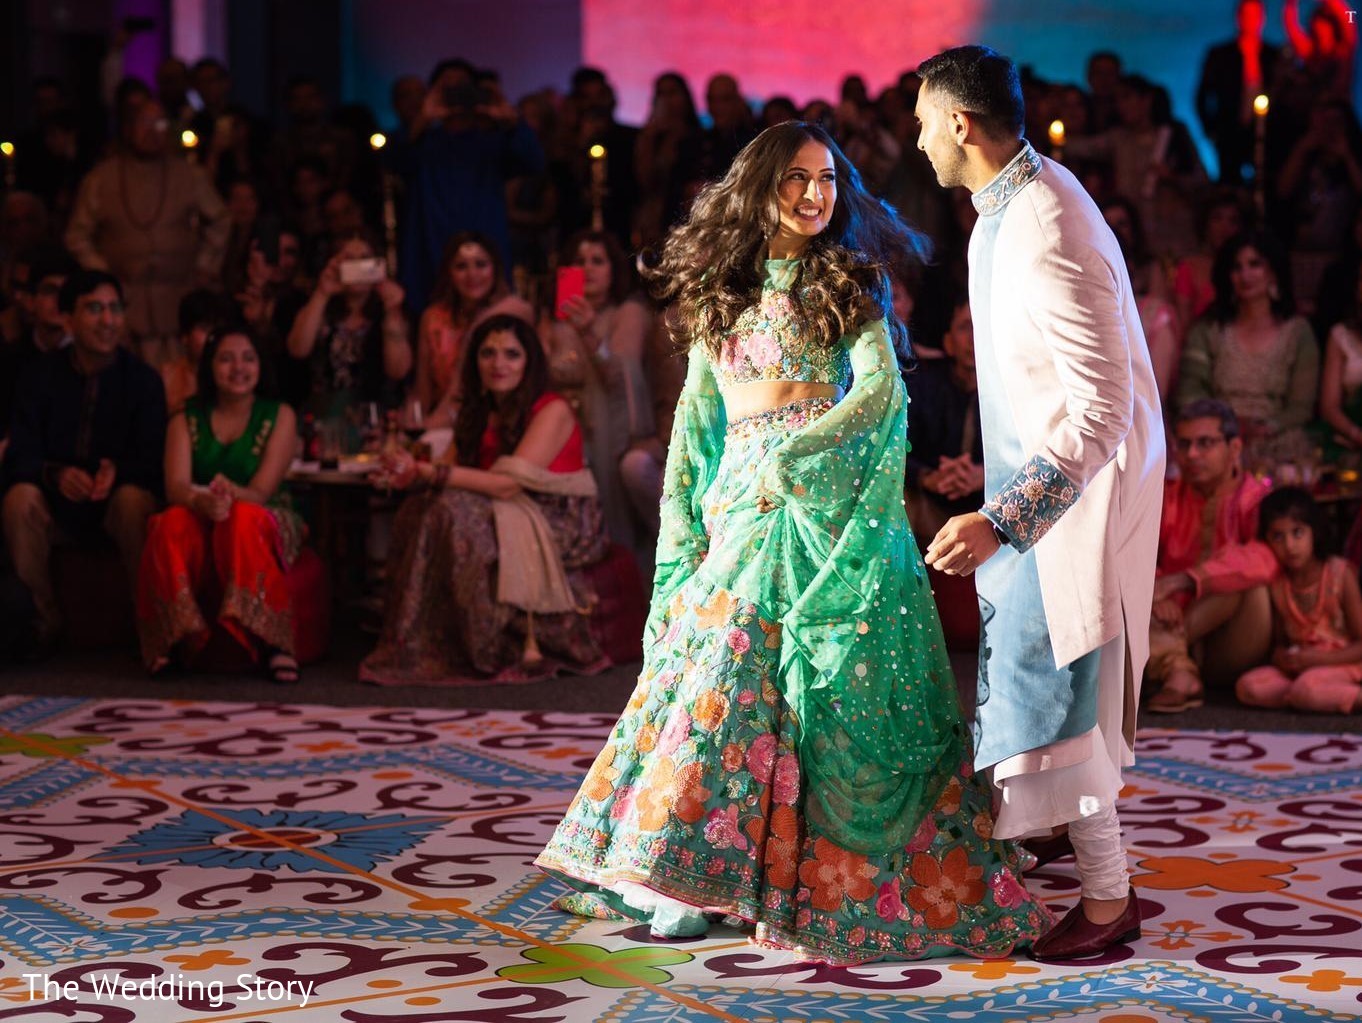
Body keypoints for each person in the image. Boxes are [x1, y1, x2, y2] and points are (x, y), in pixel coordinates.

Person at [536, 121, 1047, 964]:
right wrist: (680, 536)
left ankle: (807, 872)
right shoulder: (718, 289)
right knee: (719, 677)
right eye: (798, 180)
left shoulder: (847, 280)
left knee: (818, 690)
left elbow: (881, 392)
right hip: (742, 503)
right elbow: (696, 424)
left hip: (827, 507)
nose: (817, 195)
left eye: (828, 180)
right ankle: (684, 869)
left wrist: (797, 452)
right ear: (760, 186)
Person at [915, 46, 1164, 960]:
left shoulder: (1047, 221)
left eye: (921, 120)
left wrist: (1002, 518)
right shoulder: (1005, 208)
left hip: (1075, 492)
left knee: (1052, 682)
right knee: (1035, 676)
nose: (916, 138)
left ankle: (1109, 896)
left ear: (960, 125)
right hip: (1035, 479)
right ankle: (1047, 835)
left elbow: (1103, 410)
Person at [360, 314, 610, 686]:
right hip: (499, 504)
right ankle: (419, 639)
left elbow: (509, 484)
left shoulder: (552, 408)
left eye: (511, 354)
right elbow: (450, 472)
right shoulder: (478, 410)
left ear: (530, 362)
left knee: (455, 513)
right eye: (488, 353)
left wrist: (428, 472)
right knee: (423, 508)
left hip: (556, 515)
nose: (498, 364)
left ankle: (483, 647)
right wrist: (409, 475)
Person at [1, 270, 165, 648]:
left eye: (114, 309)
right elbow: (20, 452)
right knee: (19, 499)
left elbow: (155, 459)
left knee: (133, 500)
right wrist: (55, 474)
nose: (108, 321)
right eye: (94, 309)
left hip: (112, 505)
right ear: (67, 318)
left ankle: (152, 628)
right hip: (56, 503)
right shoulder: (39, 376)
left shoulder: (142, 381)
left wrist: (117, 471)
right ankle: (39, 623)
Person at [136, 325, 304, 681]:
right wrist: (201, 501)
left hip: (265, 515)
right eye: (226, 359)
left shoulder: (280, 415)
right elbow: (176, 487)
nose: (238, 368)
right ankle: (175, 636)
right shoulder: (185, 419)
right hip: (204, 510)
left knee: (242, 516)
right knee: (169, 522)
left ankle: (272, 641)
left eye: (248, 358)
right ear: (209, 367)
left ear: (261, 366)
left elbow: (260, 492)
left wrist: (230, 496)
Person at [64, 99, 229, 364]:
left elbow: (220, 220)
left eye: (160, 123)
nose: (153, 131)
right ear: (128, 128)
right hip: (125, 302)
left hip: (177, 297)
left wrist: (204, 265)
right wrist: (102, 274)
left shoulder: (189, 175)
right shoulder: (101, 178)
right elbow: (77, 235)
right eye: (145, 123)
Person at [1147, 400, 1276, 712]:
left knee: (1244, 580)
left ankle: (1173, 661)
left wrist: (1184, 581)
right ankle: (1179, 672)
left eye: (1205, 443)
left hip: (1229, 643)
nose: (1192, 455)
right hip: (1167, 619)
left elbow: (1267, 558)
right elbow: (1136, 558)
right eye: (1185, 444)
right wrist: (1154, 591)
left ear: (1234, 449)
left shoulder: (1257, 498)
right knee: (1127, 585)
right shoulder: (1163, 495)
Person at [1176, 230, 1319, 470]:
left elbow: (1301, 407)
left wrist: (1266, 427)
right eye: (1237, 267)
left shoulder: (1298, 332)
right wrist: (1227, 425)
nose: (1245, 275)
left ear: (1273, 272)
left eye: (1255, 265)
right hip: (1217, 440)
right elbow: (1189, 393)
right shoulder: (1209, 329)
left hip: (1279, 442)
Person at [547, 229, 653, 550]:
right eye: (579, 262)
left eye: (598, 261)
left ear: (613, 269)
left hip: (608, 430)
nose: (588, 269)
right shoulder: (552, 324)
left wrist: (590, 332)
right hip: (557, 426)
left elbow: (622, 381)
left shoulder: (627, 313)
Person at [1237, 486, 1362, 714]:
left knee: (1307, 687)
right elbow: (1278, 643)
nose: (1289, 546)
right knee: (1248, 686)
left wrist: (1320, 660)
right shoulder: (1278, 583)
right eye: (1278, 536)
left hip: (1342, 662)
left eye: (1297, 533)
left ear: (1314, 531)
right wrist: (1283, 659)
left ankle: (1322, 695)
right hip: (1302, 669)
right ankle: (1308, 697)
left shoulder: (1339, 574)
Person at [285, 233, 412, 418]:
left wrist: (392, 311)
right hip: (327, 415)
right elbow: (298, 349)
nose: (358, 266)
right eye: (349, 259)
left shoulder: (388, 310)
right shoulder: (321, 307)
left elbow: (398, 371)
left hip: (376, 415)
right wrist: (322, 292)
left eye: (364, 259)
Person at [415, 232, 533, 430]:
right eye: (461, 266)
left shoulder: (513, 311)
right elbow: (422, 391)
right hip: (441, 422)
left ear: (495, 268)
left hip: (498, 422)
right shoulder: (434, 317)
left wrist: (428, 429)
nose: (472, 275)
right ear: (448, 272)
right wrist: (413, 427)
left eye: (481, 264)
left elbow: (460, 391)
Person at [904, 298, 984, 543]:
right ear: (948, 341)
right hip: (928, 507)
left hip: (989, 506)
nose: (974, 337)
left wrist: (982, 474)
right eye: (965, 327)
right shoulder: (922, 386)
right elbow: (898, 449)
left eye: (980, 326)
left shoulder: (1009, 394)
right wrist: (929, 476)